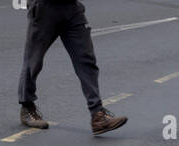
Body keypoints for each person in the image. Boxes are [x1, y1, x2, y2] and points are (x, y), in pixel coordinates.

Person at [18, 0, 127, 135]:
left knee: (86, 59)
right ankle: (27, 107)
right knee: (33, 61)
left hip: (72, 9)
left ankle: (98, 116)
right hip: (45, 9)